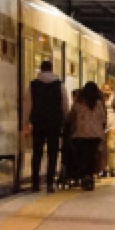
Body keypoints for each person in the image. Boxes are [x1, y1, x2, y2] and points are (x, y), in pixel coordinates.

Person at [28, 58, 66, 192]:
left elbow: (28, 104)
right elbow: (64, 105)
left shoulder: (33, 85)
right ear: (51, 69)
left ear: (41, 68)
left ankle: (35, 183)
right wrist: (64, 120)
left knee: (37, 153)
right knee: (52, 153)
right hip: (54, 123)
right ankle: (50, 183)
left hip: (38, 122)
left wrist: (27, 122)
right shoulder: (59, 85)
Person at [67, 81, 108, 189]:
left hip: (80, 134)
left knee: (82, 156)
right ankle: (90, 176)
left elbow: (71, 116)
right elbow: (103, 119)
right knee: (92, 156)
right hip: (95, 135)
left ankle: (84, 176)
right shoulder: (99, 103)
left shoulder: (78, 102)